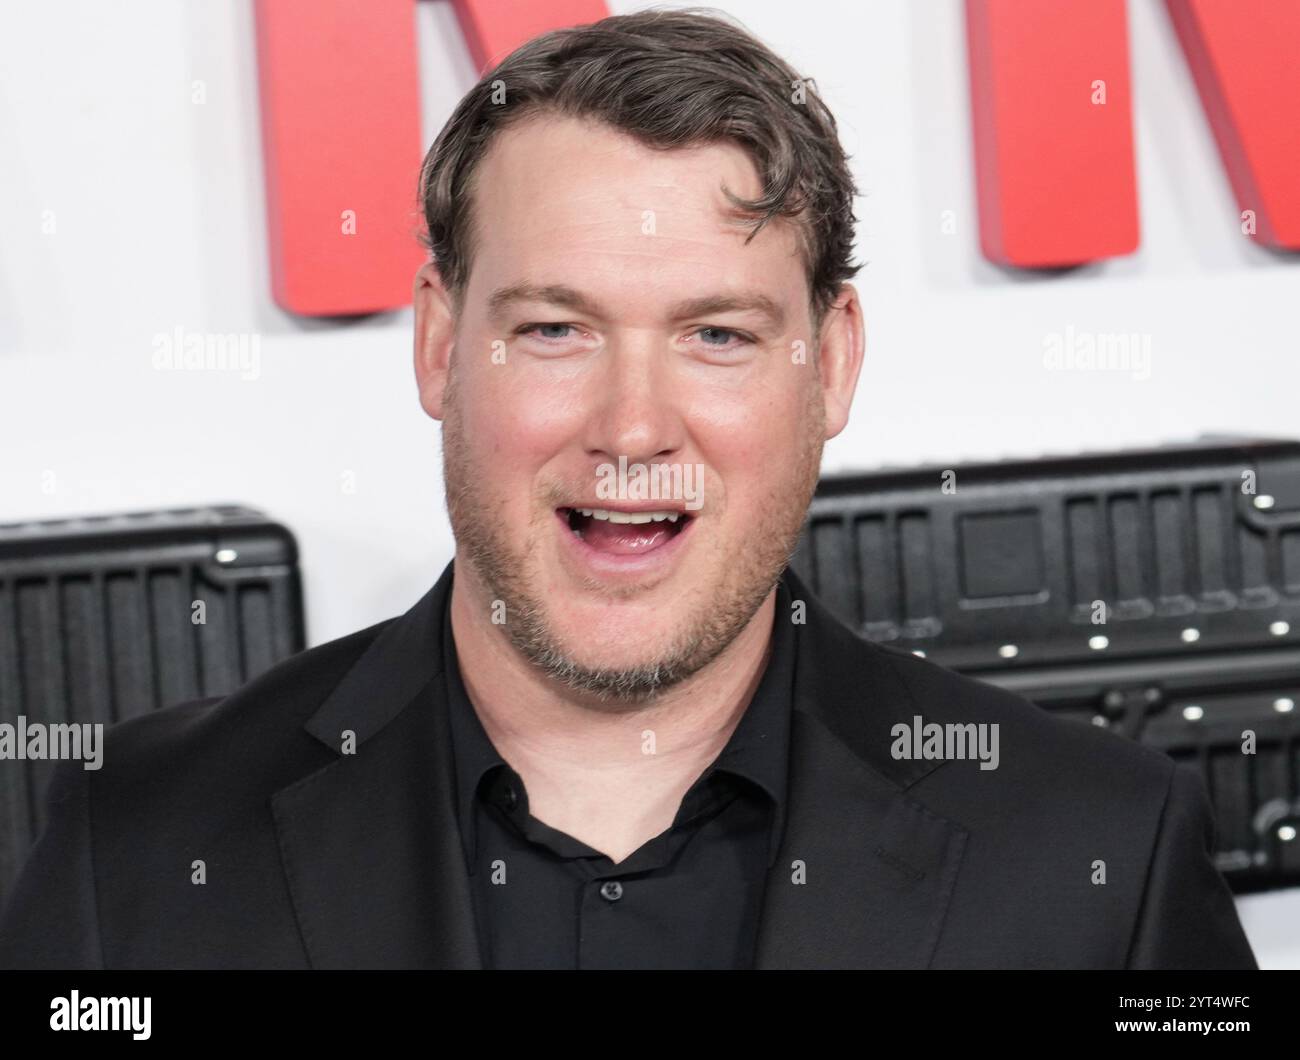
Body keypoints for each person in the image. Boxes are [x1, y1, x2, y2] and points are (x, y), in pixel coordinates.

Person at [0, 8, 1256, 969]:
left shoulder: (1105, 859)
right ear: (441, 346)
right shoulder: (138, 849)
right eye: (555, 329)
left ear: (832, 366)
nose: (632, 425)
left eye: (717, 334)